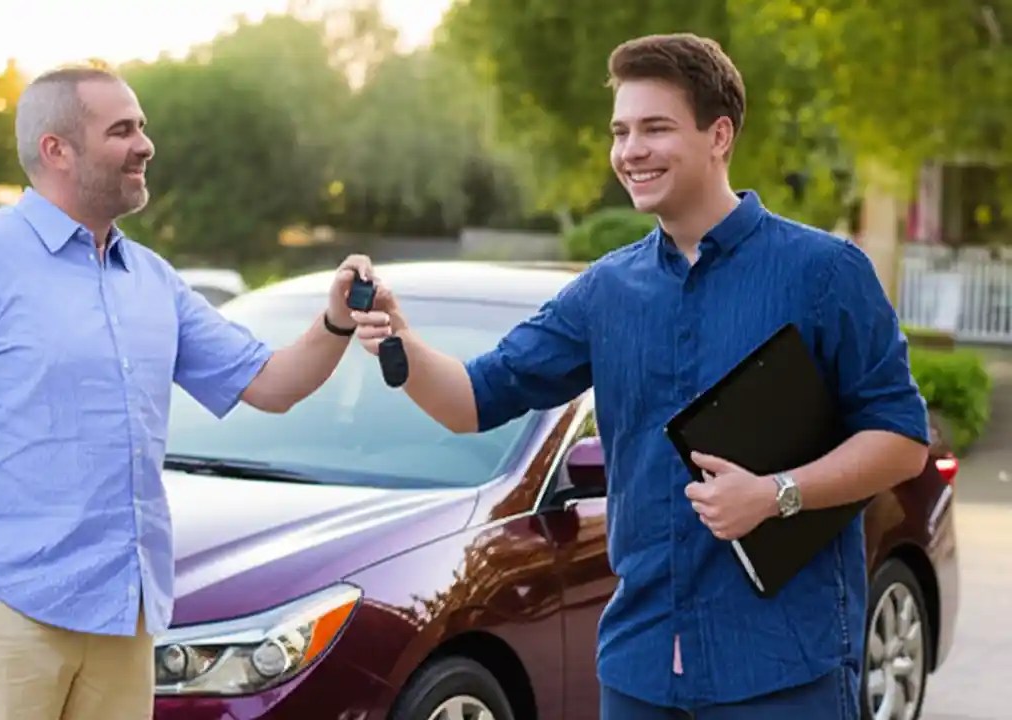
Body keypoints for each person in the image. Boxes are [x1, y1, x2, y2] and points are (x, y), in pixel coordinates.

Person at [350, 33, 929, 719]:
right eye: (620, 131)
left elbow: (901, 439)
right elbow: (473, 399)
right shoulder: (605, 292)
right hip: (640, 672)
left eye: (655, 128)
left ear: (719, 135)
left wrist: (778, 495)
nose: (630, 151)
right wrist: (401, 337)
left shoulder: (825, 274)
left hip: (781, 671)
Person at [0, 66, 373, 720]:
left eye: (141, 127)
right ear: (56, 150)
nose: (146, 145)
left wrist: (335, 320)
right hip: (7, 613)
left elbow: (271, 384)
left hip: (124, 616)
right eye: (122, 130)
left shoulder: (151, 280)